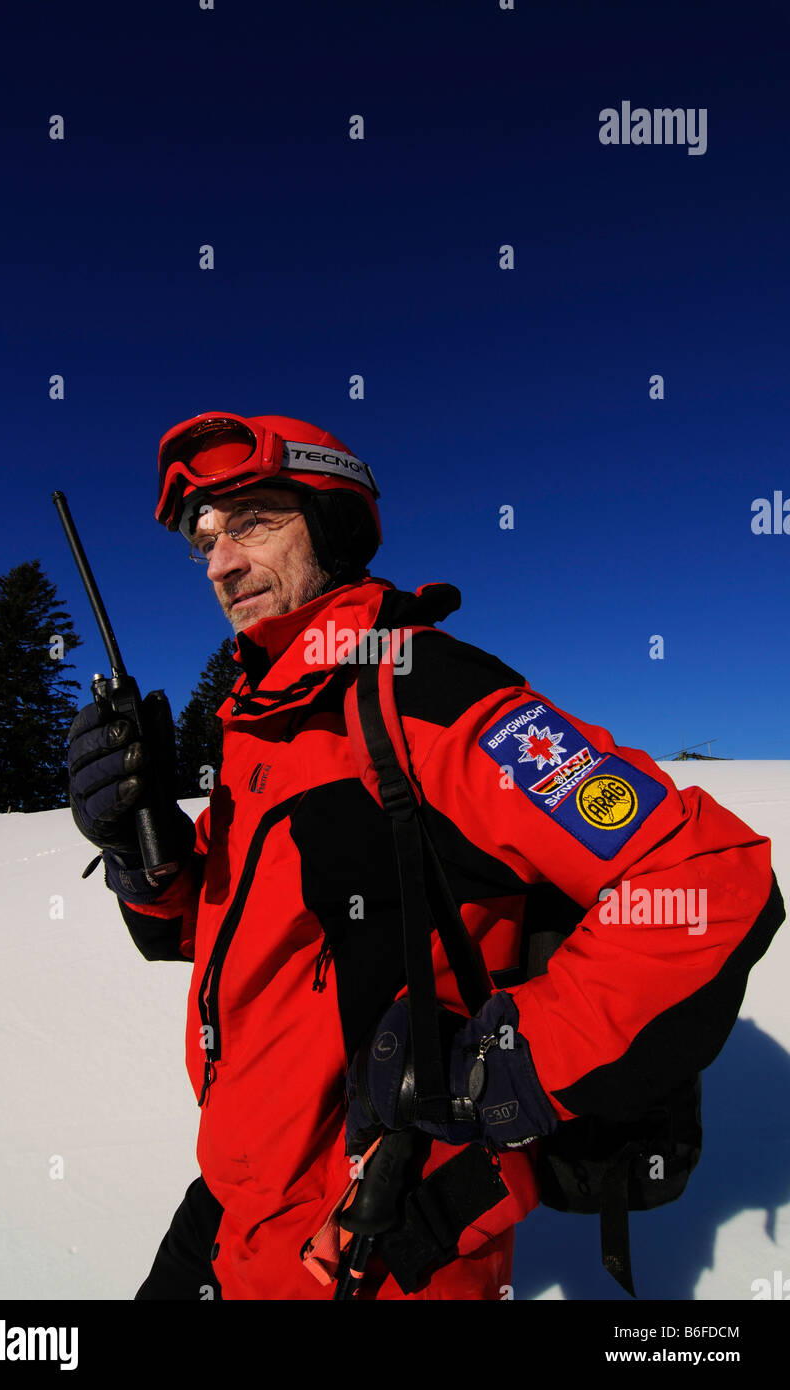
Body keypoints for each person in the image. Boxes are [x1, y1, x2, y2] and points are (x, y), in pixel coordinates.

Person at [66, 410, 785, 1301]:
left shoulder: (425, 694)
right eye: (203, 538)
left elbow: (706, 877)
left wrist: (514, 1065)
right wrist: (143, 851)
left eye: (250, 521)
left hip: (379, 1237)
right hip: (231, 1199)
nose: (218, 562)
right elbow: (214, 934)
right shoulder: (265, 725)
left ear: (330, 520)